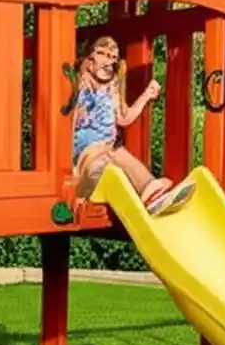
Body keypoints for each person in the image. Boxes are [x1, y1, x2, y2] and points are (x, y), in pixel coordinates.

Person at [71, 36, 193, 214]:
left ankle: (151, 190)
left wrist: (146, 96)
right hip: (84, 152)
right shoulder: (82, 84)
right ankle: (85, 187)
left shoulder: (111, 88)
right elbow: (69, 119)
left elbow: (124, 118)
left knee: (117, 154)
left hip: (107, 149)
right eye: (102, 54)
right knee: (105, 156)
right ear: (90, 59)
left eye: (112, 57)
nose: (108, 61)